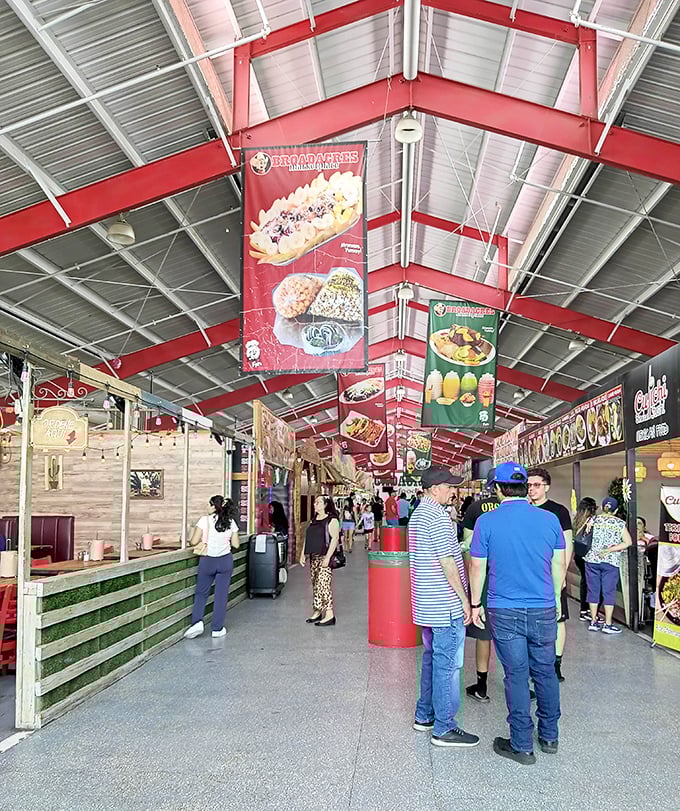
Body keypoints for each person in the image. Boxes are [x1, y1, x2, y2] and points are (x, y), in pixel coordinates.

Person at [470, 462, 565, 765]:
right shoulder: (550, 520)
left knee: (516, 675)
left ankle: (522, 743)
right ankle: (550, 735)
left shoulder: (487, 521)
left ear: (497, 489)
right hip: (543, 607)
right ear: (527, 487)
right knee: (545, 671)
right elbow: (558, 565)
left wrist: (474, 604)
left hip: (504, 607)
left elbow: (477, 566)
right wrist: (555, 599)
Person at [408, 466, 479, 748]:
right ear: (435, 488)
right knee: (447, 664)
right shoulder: (437, 516)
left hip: (427, 602)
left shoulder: (418, 514)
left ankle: (424, 715)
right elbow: (446, 561)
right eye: (450, 486)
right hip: (444, 604)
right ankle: (445, 727)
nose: (454, 491)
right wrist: (464, 599)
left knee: (432, 658)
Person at [526, 468, 573, 683]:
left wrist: (561, 576)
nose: (532, 489)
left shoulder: (558, 511)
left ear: (546, 486)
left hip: (552, 572)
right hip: (528, 574)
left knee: (558, 617)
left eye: (536, 485)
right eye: (528, 485)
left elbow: (567, 545)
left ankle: (556, 663)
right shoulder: (522, 509)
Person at [461, 468, 500, 703]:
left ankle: (482, 686)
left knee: (484, 634)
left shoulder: (476, 509)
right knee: (514, 636)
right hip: (512, 580)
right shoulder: (525, 510)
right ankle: (520, 686)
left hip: (484, 579)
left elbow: (468, 549)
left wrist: (471, 589)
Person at [184, 495, 240, 639]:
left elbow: (194, 541)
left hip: (207, 560)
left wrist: (192, 531)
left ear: (215, 506)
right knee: (221, 596)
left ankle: (197, 623)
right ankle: (217, 629)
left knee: (201, 593)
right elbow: (236, 544)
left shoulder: (204, 521)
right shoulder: (230, 522)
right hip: (225, 561)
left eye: (209, 505)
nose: (206, 507)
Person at [584, 496, 632, 635]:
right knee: (608, 592)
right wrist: (610, 549)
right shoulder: (619, 523)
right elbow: (628, 542)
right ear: (616, 510)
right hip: (610, 561)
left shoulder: (592, 519)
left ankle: (593, 621)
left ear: (603, 507)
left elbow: (585, 535)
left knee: (593, 590)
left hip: (592, 559)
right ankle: (608, 624)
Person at [298, 496, 340, 627]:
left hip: (324, 557)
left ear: (325, 504)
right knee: (315, 583)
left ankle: (329, 614)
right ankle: (317, 611)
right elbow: (308, 537)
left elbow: (335, 539)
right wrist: (303, 553)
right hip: (314, 557)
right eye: (315, 502)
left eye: (318, 502)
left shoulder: (332, 520)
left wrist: (327, 557)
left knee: (323, 584)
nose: (315, 504)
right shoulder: (314, 520)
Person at [573, 497, 598, 621]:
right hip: (588, 555)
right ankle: (589, 610)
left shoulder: (576, 519)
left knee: (584, 581)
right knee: (591, 583)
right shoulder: (592, 520)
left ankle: (583, 610)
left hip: (578, 554)